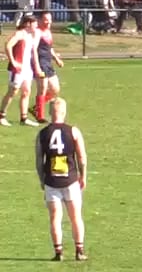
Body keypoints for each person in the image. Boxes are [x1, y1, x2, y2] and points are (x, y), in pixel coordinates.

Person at [35, 98, 87, 261]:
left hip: (52, 181)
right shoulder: (73, 131)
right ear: (64, 112)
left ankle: (58, 252)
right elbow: (82, 158)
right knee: (75, 216)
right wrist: (83, 175)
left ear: (50, 113)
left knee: (55, 218)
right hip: (71, 180)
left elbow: (38, 160)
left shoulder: (42, 134)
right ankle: (79, 250)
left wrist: (42, 179)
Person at [1, 14, 39, 127]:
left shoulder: (31, 35)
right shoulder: (20, 34)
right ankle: (1, 115)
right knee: (13, 91)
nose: (36, 25)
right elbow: (8, 45)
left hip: (27, 69)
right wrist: (13, 61)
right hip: (17, 69)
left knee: (26, 91)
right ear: (28, 23)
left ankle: (24, 118)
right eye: (34, 23)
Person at [31, 12, 63, 124]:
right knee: (43, 88)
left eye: (50, 19)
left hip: (48, 63)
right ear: (40, 21)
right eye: (46, 20)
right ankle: (40, 116)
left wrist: (56, 59)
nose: (48, 22)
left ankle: (36, 107)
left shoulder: (48, 32)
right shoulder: (38, 32)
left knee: (55, 89)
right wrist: (37, 67)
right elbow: (34, 49)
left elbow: (50, 48)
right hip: (40, 63)